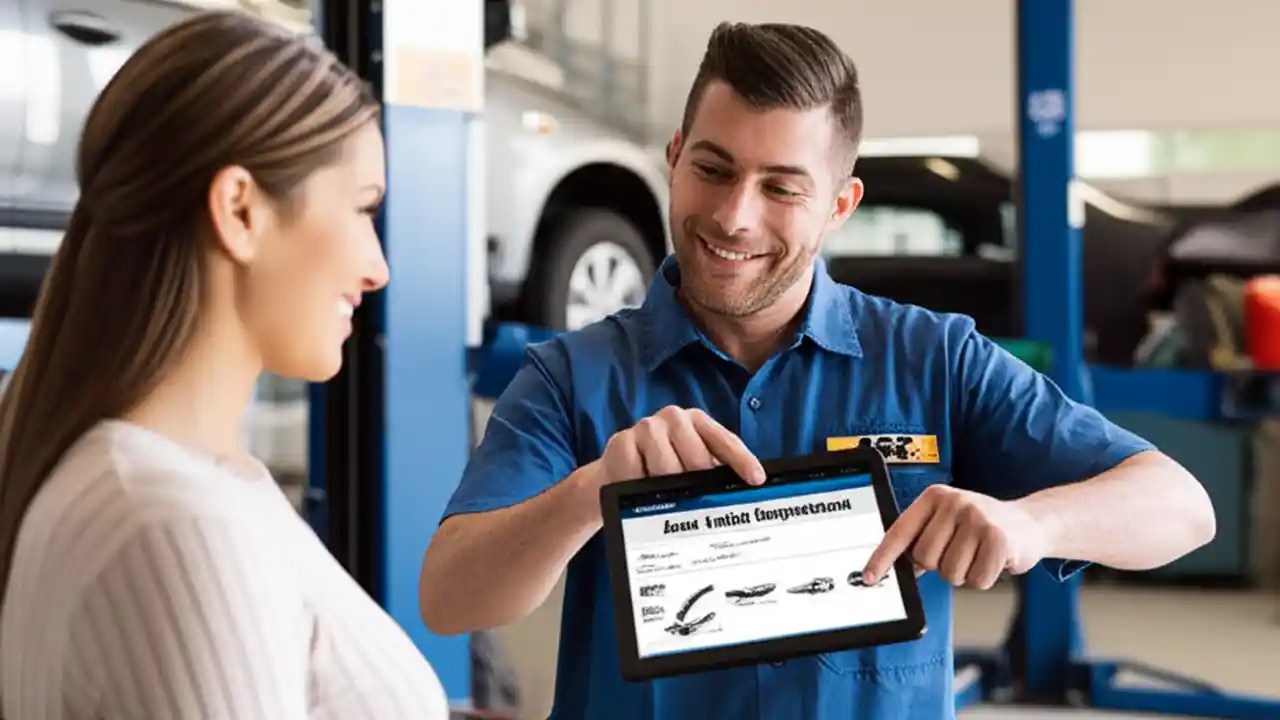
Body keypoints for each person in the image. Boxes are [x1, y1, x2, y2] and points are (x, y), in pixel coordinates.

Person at [419, 21, 1216, 720]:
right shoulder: (572, 377)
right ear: (673, 158)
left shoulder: (933, 361)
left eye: (781, 188)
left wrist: (1034, 524)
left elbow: (1180, 507)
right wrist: (588, 493)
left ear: (840, 203)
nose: (734, 215)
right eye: (714, 169)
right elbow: (450, 597)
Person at [0, 11, 449, 719]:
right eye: (364, 211)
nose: (377, 267)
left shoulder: (186, 484)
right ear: (240, 210)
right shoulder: (174, 525)